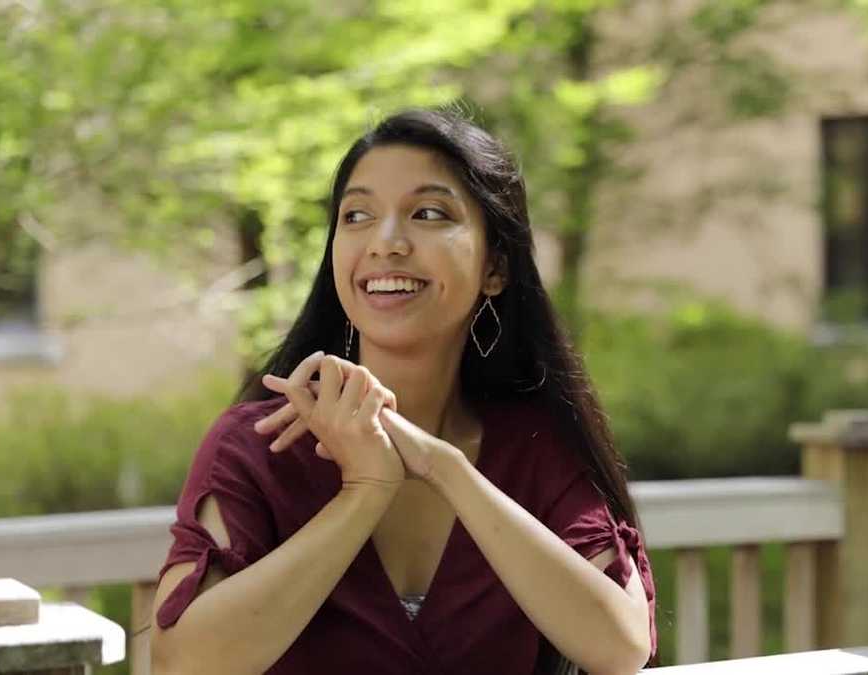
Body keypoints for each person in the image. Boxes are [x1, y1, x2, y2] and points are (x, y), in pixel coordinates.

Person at [149, 108, 658, 674]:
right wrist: (365, 491)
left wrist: (445, 468)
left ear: (495, 266)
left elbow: (621, 647)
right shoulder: (256, 446)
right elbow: (183, 663)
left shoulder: (536, 444)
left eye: (428, 213)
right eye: (357, 215)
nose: (385, 242)